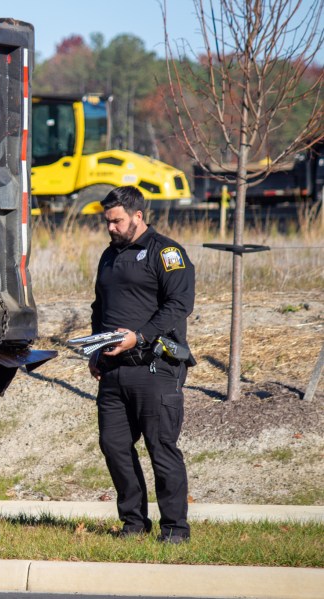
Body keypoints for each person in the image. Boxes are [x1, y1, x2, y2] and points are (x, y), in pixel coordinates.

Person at [88, 185, 195, 544]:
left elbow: (179, 305)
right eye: (107, 221)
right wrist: (95, 350)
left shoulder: (166, 253)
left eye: (117, 221)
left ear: (138, 215)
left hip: (155, 367)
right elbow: (99, 307)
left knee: (160, 447)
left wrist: (140, 336)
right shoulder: (109, 256)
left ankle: (175, 529)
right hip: (113, 371)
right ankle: (134, 523)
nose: (111, 228)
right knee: (114, 445)